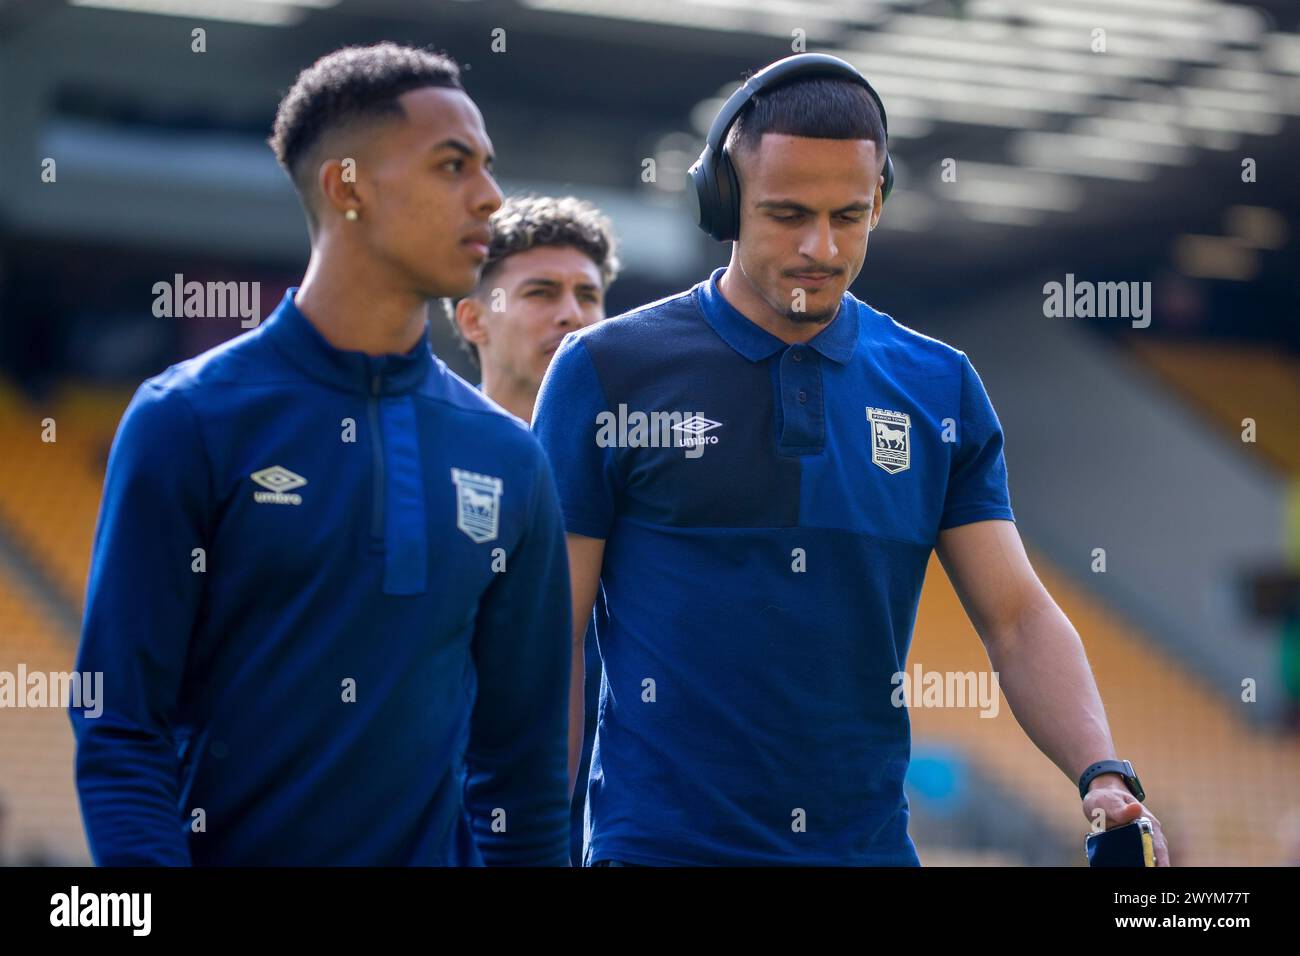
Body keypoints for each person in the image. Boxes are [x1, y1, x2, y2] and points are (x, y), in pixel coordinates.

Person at [533, 54, 1169, 866]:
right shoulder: (605, 372)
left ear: (881, 203)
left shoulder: (941, 387)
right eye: (787, 213)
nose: (820, 247)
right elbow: (550, 637)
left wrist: (1103, 772)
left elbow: (1017, 619)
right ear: (722, 204)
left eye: (849, 215)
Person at [71, 43, 572, 866]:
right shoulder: (188, 420)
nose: (490, 197)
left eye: (488, 167)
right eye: (453, 166)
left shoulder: (510, 460)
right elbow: (120, 727)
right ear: (347, 187)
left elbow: (521, 775)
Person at [449, 193, 619, 866]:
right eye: (541, 292)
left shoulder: (640, 494)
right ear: (474, 319)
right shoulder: (422, 476)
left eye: (589, 295)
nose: (572, 314)